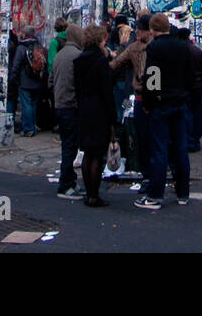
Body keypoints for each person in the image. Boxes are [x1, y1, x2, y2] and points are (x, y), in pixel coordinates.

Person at [134, 13, 194, 209]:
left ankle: (155, 195)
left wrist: (148, 103)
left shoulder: (155, 48)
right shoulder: (182, 47)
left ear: (152, 30)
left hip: (161, 103)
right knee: (180, 148)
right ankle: (183, 192)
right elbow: (190, 76)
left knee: (159, 149)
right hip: (179, 101)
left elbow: (152, 78)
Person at [75, 24, 116, 207]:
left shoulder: (79, 60)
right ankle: (94, 194)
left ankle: (88, 192)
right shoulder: (101, 61)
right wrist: (112, 116)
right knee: (97, 154)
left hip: (84, 108)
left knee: (87, 153)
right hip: (99, 109)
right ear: (101, 39)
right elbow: (107, 90)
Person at [111, 16, 152, 184]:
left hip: (132, 92)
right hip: (146, 95)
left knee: (128, 119)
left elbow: (115, 64)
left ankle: (136, 161)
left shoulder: (131, 48)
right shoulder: (152, 47)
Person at [52, 23, 85, 198]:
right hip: (71, 106)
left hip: (60, 105)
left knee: (67, 145)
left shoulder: (59, 56)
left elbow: (51, 80)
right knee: (70, 148)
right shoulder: (77, 56)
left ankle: (68, 181)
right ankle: (66, 185)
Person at [10, 25, 45, 136]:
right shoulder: (38, 45)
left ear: (24, 34)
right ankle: (33, 126)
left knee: (26, 105)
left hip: (25, 81)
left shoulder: (21, 47)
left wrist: (13, 79)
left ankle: (28, 128)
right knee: (33, 104)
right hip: (37, 80)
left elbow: (16, 64)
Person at [184, 27, 202, 152]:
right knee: (197, 112)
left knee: (188, 114)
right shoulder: (197, 51)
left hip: (186, 87)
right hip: (197, 86)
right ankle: (196, 139)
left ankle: (190, 140)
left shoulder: (181, 51)